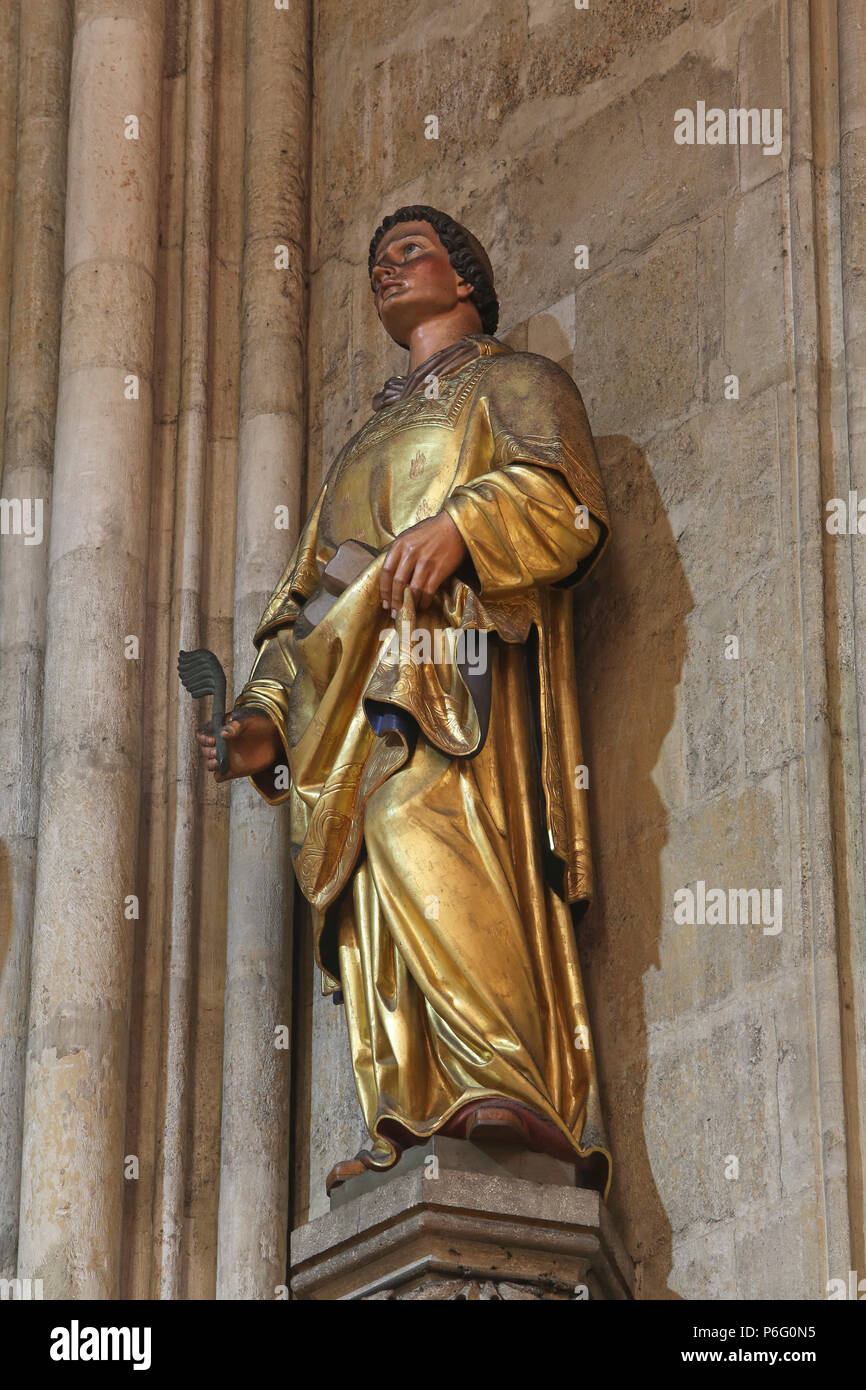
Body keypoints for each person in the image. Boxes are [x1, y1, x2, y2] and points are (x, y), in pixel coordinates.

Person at [197, 205, 612, 1197]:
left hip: (458, 663)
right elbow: (308, 606)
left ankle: (504, 1075)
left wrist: (464, 527)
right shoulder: (360, 447)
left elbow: (567, 502)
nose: (387, 269)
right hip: (351, 709)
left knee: (429, 827)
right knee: (373, 870)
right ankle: (411, 1106)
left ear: (463, 276)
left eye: (409, 252)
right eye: (376, 261)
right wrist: (262, 720)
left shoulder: (518, 384)